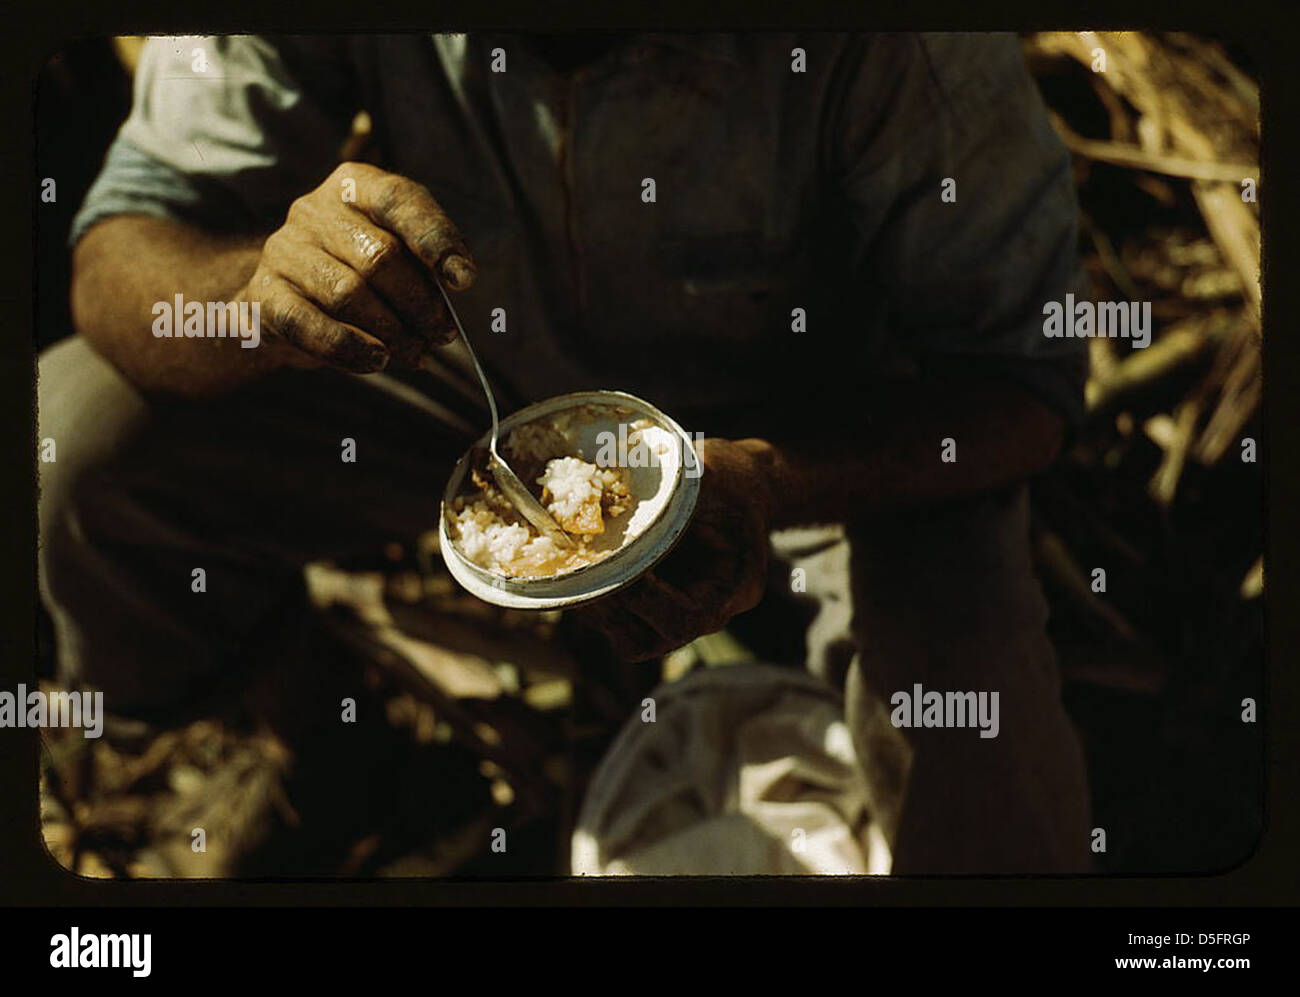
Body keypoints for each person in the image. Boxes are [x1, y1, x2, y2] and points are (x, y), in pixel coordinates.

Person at [40, 32, 1092, 872]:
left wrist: (761, 481)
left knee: (978, 764)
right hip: (480, 375)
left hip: (822, 430)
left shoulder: (904, 49)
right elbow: (121, 252)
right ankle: (335, 752)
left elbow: (1019, 384)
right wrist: (259, 301)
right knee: (75, 445)